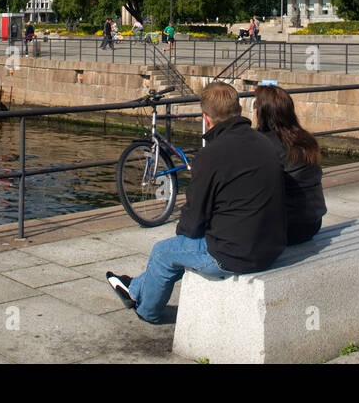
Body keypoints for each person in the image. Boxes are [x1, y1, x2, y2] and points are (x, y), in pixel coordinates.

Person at [107, 81, 286, 323]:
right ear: (239, 110)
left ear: (206, 118)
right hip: (272, 246)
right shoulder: (265, 143)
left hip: (235, 255)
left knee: (163, 252)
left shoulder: (210, 155)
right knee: (178, 250)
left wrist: (185, 236)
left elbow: (192, 222)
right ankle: (135, 286)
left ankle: (146, 310)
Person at [253, 84, 326, 244]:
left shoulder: (262, 143)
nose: (254, 111)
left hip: (286, 228)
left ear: (263, 113)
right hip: (313, 222)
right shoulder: (306, 139)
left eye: (255, 106)